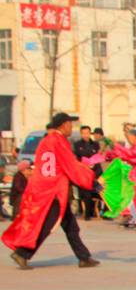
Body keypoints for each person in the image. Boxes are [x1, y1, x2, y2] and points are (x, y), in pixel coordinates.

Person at [4, 113, 99, 269]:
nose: (71, 127)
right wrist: (91, 181)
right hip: (54, 192)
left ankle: (84, 257)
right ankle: (22, 254)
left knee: (70, 226)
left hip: (45, 187)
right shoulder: (59, 141)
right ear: (62, 125)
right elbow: (70, 165)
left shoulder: (46, 141)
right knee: (47, 225)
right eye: (69, 124)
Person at [73, 124, 101, 220]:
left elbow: (97, 157)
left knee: (102, 189)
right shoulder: (77, 145)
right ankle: (86, 213)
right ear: (81, 134)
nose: (86, 135)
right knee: (85, 193)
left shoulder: (95, 144)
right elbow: (78, 157)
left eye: (87, 133)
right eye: (84, 133)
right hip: (83, 173)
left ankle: (100, 211)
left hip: (94, 172)